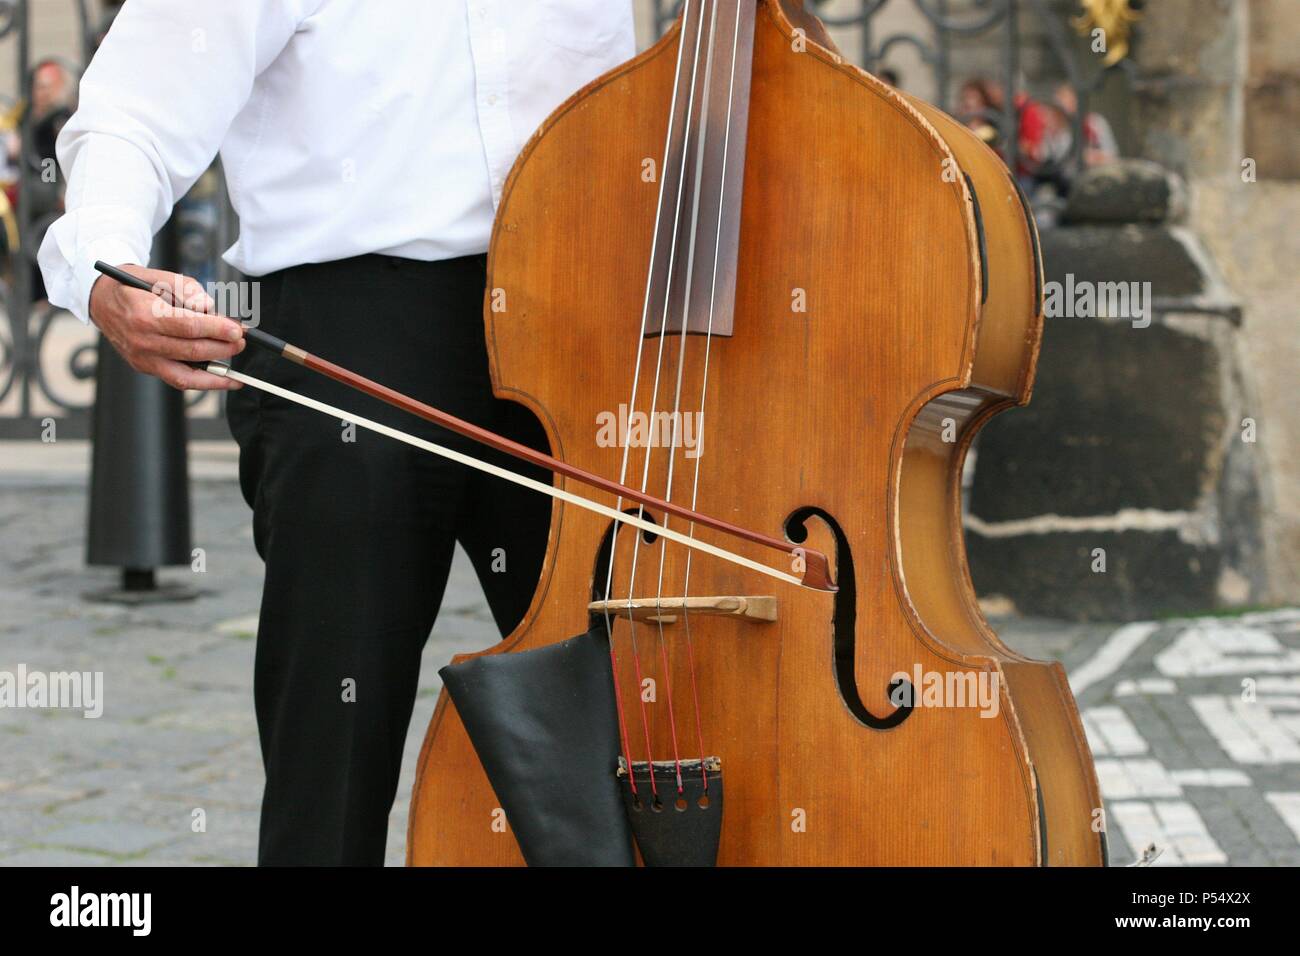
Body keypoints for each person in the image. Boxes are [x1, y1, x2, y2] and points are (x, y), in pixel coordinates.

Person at [39, 0, 635, 866]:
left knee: (646, 726)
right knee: (334, 764)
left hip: (592, 328)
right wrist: (103, 267)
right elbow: (134, 105)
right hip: (353, 341)